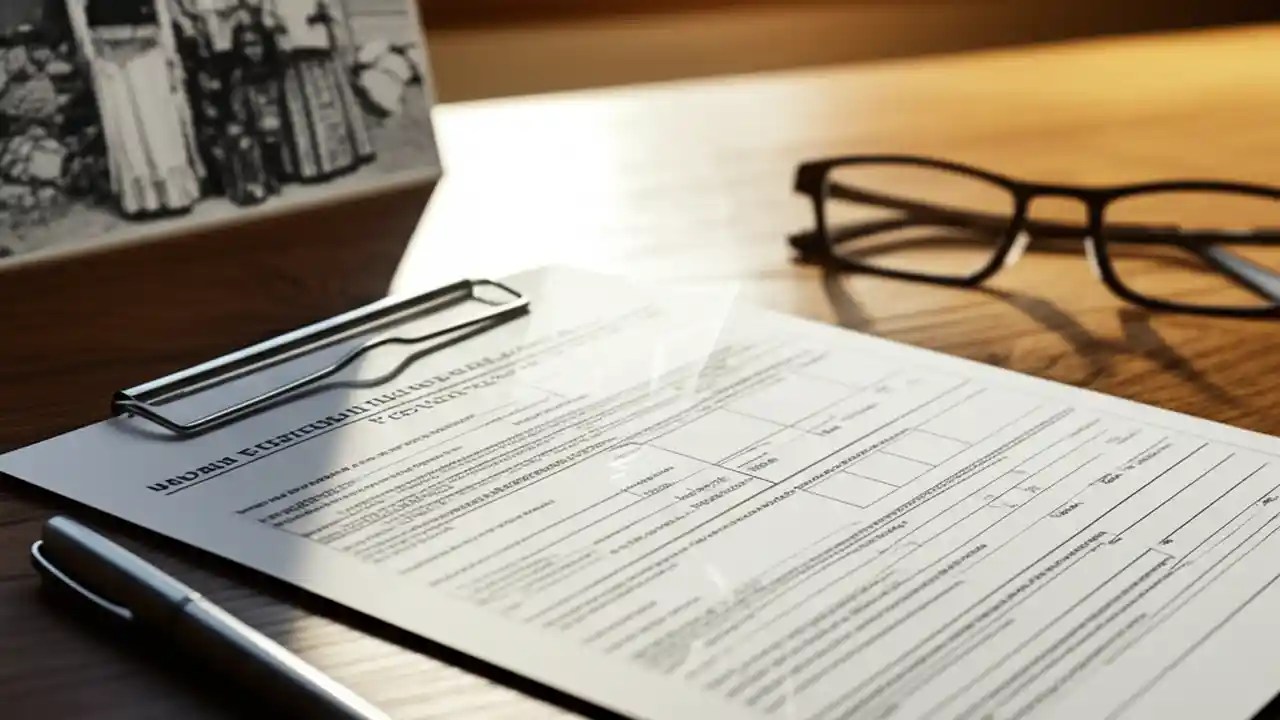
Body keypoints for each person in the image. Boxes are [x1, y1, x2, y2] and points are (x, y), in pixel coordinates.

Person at [65, 0, 205, 216]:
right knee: (125, 125)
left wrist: (169, 49)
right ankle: (140, 200)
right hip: (109, 56)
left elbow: (160, 6)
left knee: (158, 120)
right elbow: (76, 7)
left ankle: (174, 195)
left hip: (149, 50)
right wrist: (88, 50)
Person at [268, 0, 373, 181]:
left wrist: (324, 18)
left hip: (319, 46)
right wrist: (278, 29)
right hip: (293, 52)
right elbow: (270, 18)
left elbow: (333, 12)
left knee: (331, 105)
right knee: (303, 111)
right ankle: (313, 164)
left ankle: (340, 157)